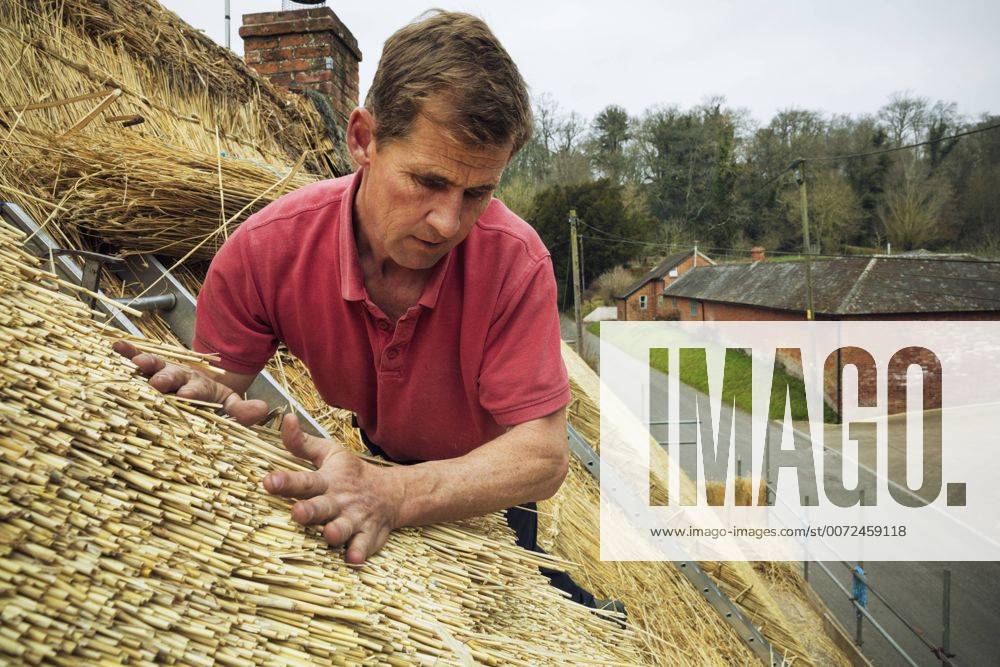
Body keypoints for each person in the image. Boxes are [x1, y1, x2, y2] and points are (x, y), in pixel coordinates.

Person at [114, 10, 620, 615]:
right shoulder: (267, 250)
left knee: (549, 614)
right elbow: (217, 383)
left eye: (478, 193)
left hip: (483, 486)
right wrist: (201, 390)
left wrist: (396, 493)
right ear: (362, 140)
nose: (448, 223)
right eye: (427, 181)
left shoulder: (516, 262)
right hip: (379, 454)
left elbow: (541, 455)